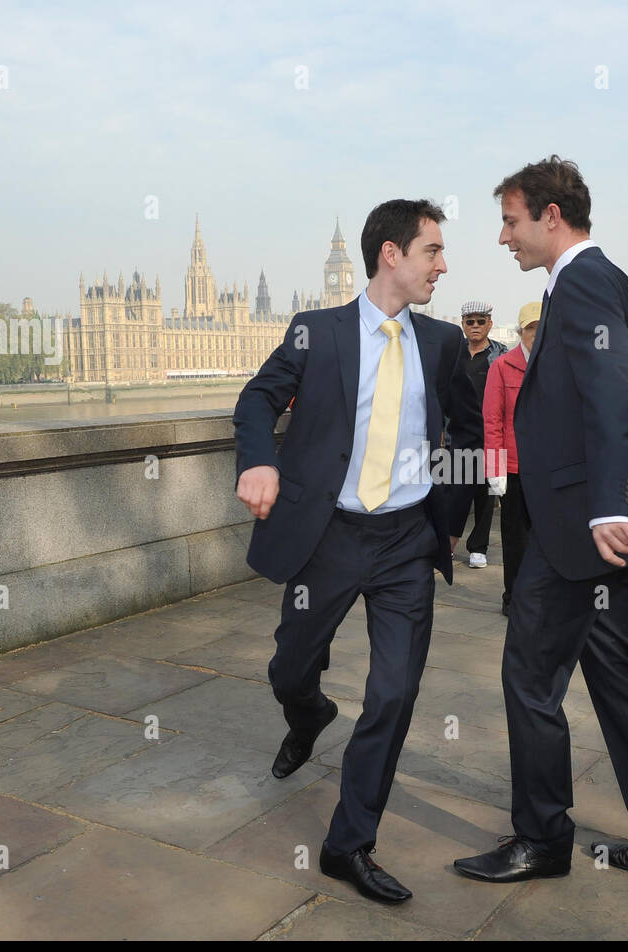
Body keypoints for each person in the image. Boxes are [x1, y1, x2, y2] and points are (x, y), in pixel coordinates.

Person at [454, 156, 628, 884]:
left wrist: (610, 506)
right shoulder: (605, 278)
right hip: (587, 520)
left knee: (529, 675)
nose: (504, 237)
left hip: (580, 527)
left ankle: (541, 839)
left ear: (550, 216)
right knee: (614, 672)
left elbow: (610, 394)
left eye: (510, 220)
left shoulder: (585, 280)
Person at [233, 199, 461, 905]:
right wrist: (259, 460)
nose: (443, 265)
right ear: (390, 254)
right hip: (327, 536)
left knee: (393, 694)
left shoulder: (444, 342)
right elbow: (255, 401)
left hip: (404, 543)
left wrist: (450, 513)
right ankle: (307, 715)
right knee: (288, 667)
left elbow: (475, 430)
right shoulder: (317, 332)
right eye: (432, 251)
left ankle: (348, 844)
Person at [484, 302, 538, 615]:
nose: (536, 333)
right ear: (520, 332)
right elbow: (492, 420)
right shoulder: (502, 367)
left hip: (548, 469)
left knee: (546, 538)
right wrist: (496, 469)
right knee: (516, 540)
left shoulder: (556, 364)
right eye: (530, 328)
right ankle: (513, 597)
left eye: (540, 327)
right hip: (515, 470)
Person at [446, 300, 507, 569]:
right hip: (457, 436)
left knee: (488, 494)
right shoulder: (453, 355)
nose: (475, 326)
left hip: (494, 435)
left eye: (480, 321)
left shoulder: (502, 356)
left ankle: (478, 548)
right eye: (470, 321)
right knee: (451, 492)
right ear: (463, 325)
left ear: (489, 324)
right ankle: (446, 544)